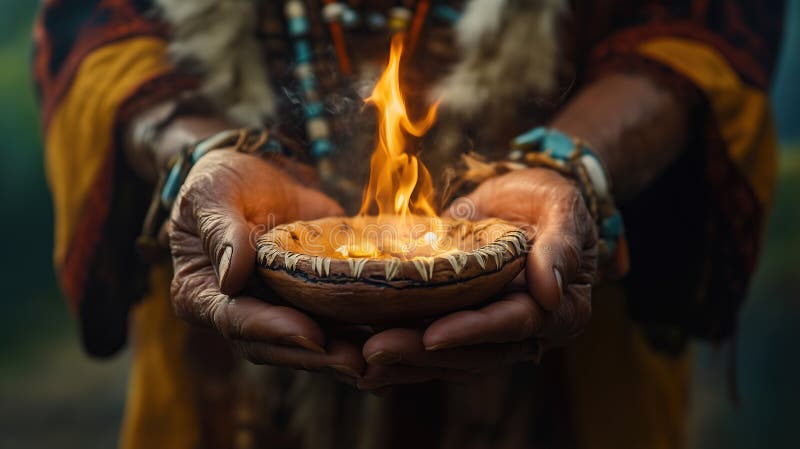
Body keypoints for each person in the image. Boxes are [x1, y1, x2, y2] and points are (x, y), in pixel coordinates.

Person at [34, 1, 783, 448]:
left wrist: (574, 167)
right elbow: (94, 29)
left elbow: (704, 25)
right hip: (227, 400)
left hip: (567, 394)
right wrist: (194, 154)